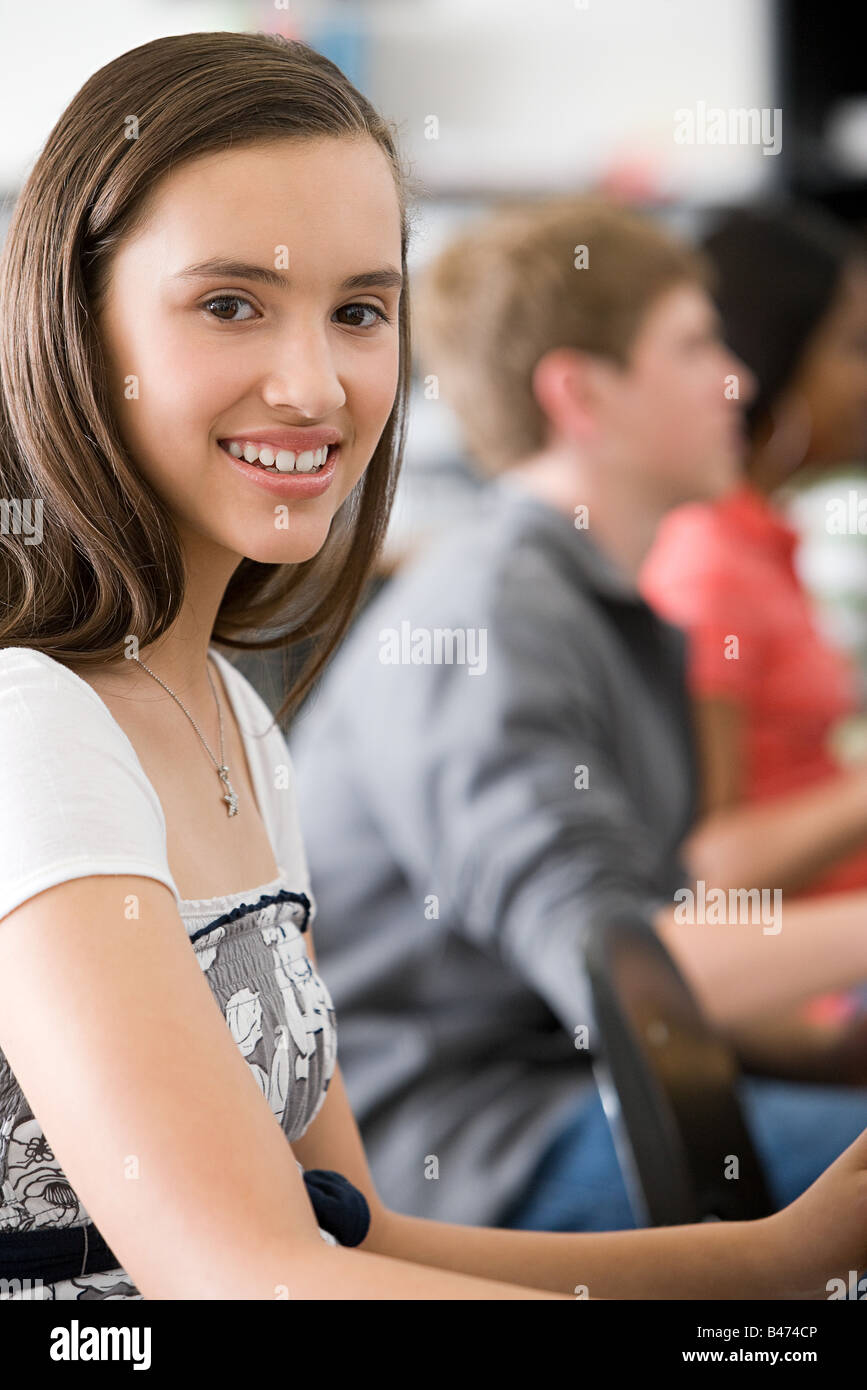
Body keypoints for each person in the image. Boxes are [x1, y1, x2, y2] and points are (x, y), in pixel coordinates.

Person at [0, 31, 864, 1305]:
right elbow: (244, 1276)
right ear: (75, 326)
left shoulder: (232, 715)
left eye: (359, 310)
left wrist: (779, 1257)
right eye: (230, 302)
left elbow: (342, 1237)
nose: (315, 383)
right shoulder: (37, 725)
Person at [289, 191, 867, 1240]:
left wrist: (829, 1051)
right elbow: (627, 972)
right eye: (696, 347)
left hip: (585, 1089)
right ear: (581, 393)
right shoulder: (490, 618)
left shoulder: (604, 610)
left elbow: (648, 956)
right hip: (472, 1143)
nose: (737, 380)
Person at [640, 203, 867, 904]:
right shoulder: (711, 561)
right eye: (853, 346)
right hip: (809, 985)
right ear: (776, 357)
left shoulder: (761, 539)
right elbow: (707, 872)